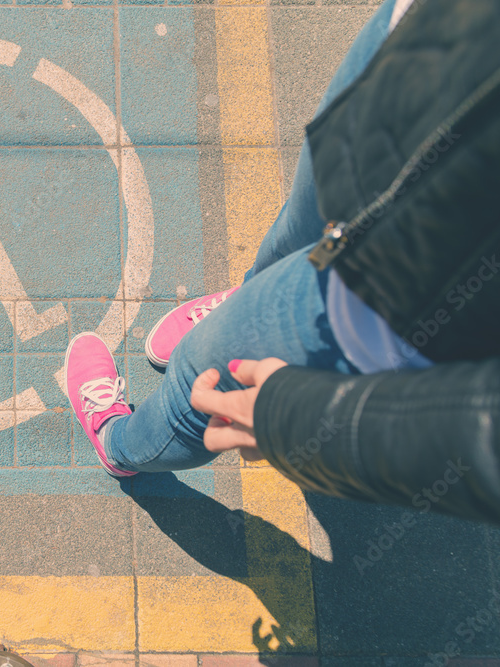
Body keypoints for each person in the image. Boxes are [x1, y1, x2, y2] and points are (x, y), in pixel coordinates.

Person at [65, 0, 500, 523]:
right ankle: (252, 294)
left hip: (400, 299)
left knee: (198, 385)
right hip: (421, 48)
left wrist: (312, 418)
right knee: (297, 226)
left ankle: (119, 445)